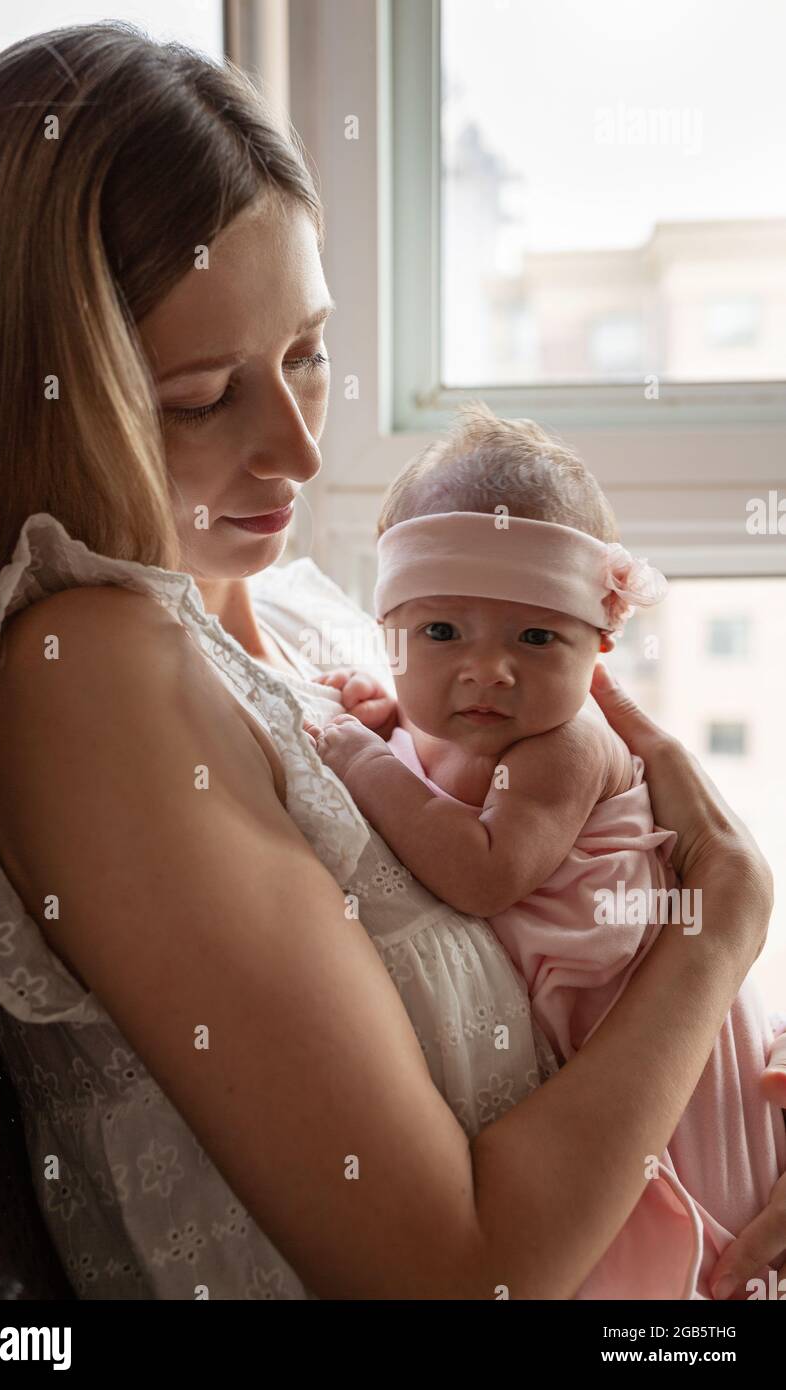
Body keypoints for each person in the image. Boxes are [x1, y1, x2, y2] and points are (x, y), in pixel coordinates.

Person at [0, 21, 781, 1301]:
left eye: (309, 354)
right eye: (204, 396)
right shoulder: (82, 675)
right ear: (54, 389)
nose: (301, 452)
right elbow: (451, 1275)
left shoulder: (309, 612)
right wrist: (715, 932)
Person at [308, 407, 786, 1298]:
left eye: (535, 638)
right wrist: (389, 721)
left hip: (694, 1071)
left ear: (599, 644)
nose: (489, 671)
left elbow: (483, 871)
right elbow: (437, 778)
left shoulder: (566, 744)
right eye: (442, 634)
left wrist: (356, 753)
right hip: (630, 1050)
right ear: (389, 631)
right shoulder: (460, 725)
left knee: (704, 1268)